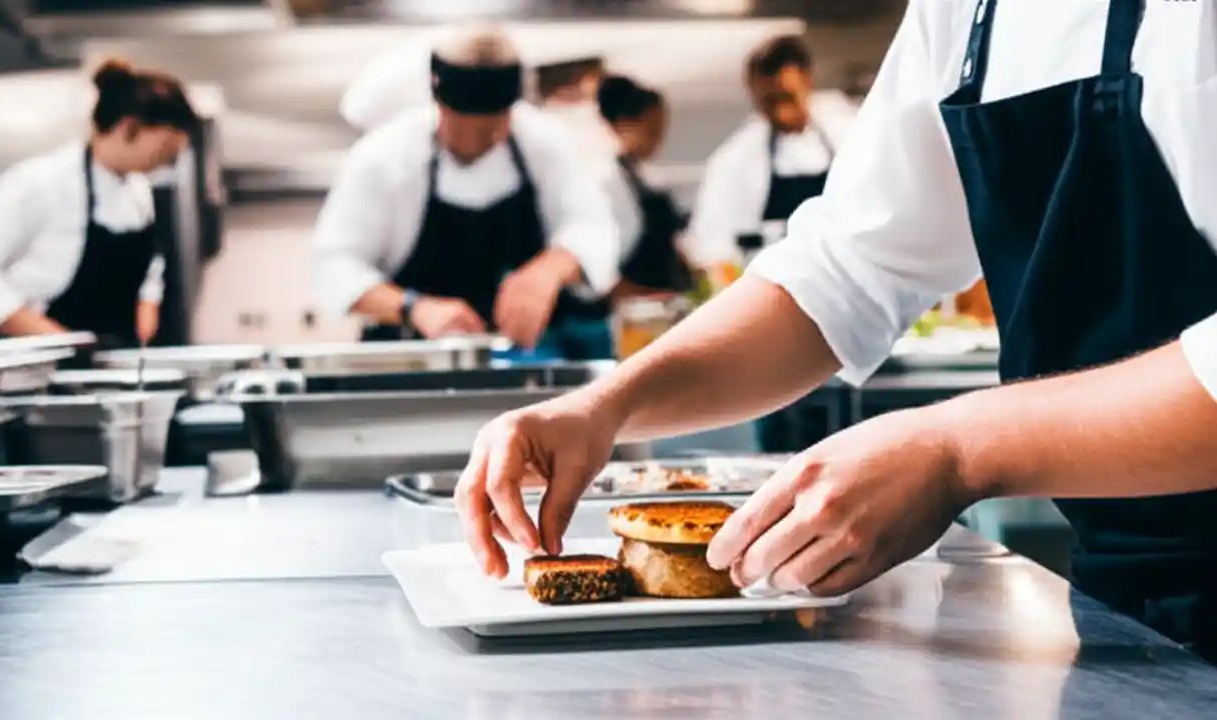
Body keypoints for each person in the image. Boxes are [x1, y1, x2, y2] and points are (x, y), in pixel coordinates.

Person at [455, 0, 1217, 662]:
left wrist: (954, 450)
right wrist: (609, 406)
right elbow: (849, 265)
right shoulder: (968, 12)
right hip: (1127, 606)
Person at [312, 25, 618, 351]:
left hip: (526, 355)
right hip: (415, 359)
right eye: (471, 127)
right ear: (441, 108)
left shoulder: (544, 144)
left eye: (499, 123)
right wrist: (414, 308)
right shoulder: (385, 157)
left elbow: (593, 228)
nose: (489, 138)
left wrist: (549, 270)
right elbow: (335, 266)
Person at [0, 60, 197, 348]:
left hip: (107, 362)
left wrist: (146, 305)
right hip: (32, 367)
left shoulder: (138, 192)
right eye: (165, 148)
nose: (168, 159)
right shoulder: (39, 182)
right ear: (128, 128)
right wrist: (56, 340)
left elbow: (149, 271)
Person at [682, 34, 855, 272]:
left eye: (787, 98)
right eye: (769, 102)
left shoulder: (852, 139)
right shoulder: (735, 160)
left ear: (807, 81)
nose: (781, 113)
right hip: (771, 290)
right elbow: (710, 243)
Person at [597, 75, 691, 297]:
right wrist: (645, 298)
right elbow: (601, 272)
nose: (659, 141)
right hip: (637, 308)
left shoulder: (646, 175)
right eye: (653, 132)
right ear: (623, 125)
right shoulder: (606, 182)